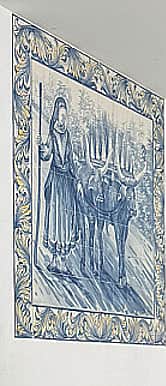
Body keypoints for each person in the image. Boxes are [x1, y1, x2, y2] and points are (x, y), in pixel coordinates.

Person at [38, 95, 81, 267]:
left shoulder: (68, 135)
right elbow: (47, 156)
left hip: (67, 182)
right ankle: (54, 259)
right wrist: (42, 147)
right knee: (56, 218)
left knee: (67, 217)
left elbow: (71, 159)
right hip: (56, 181)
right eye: (61, 117)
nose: (63, 120)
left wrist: (76, 180)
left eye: (65, 117)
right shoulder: (52, 134)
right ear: (56, 116)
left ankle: (62, 260)